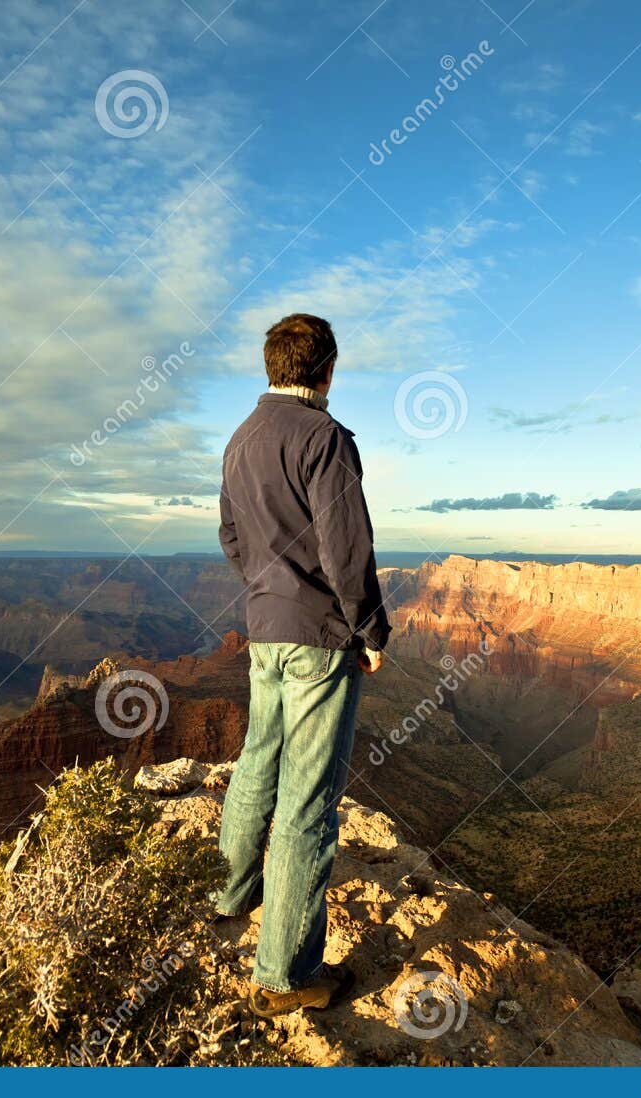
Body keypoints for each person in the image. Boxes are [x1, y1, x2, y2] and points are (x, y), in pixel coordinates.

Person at [214, 312, 390, 1016]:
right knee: (309, 803)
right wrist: (369, 628)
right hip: (319, 633)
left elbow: (229, 532)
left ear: (270, 366)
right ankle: (284, 975)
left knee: (260, 755)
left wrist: (264, 589)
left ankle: (225, 894)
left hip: (265, 626)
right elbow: (347, 549)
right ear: (327, 368)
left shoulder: (240, 437)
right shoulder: (326, 439)